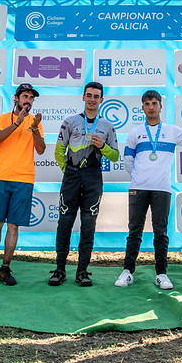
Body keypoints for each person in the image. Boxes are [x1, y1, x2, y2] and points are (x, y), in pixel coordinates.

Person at [115, 90, 182, 290]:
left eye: (154, 103)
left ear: (160, 106)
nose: (151, 106)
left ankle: (161, 273)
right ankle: (127, 271)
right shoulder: (135, 133)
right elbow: (127, 161)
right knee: (134, 231)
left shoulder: (171, 130)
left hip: (162, 189)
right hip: (138, 188)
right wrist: (139, 178)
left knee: (161, 233)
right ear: (142, 107)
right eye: (147, 103)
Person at [49, 82, 119, 287]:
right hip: (72, 175)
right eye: (89, 95)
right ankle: (60, 269)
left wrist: (102, 146)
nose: (92, 99)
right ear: (83, 97)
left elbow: (115, 156)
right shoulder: (70, 121)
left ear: (101, 100)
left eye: (96, 96)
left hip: (93, 177)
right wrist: (69, 171)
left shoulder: (107, 126)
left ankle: (82, 272)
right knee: (65, 222)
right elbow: (58, 150)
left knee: (88, 225)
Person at [0, 83, 45, 286]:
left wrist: (34, 129)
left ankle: (6, 268)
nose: (28, 100)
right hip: (1, 176)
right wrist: (17, 123)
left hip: (24, 179)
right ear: (16, 99)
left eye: (31, 97)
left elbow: (41, 149)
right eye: (25, 96)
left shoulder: (36, 121)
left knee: (13, 226)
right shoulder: (3, 118)